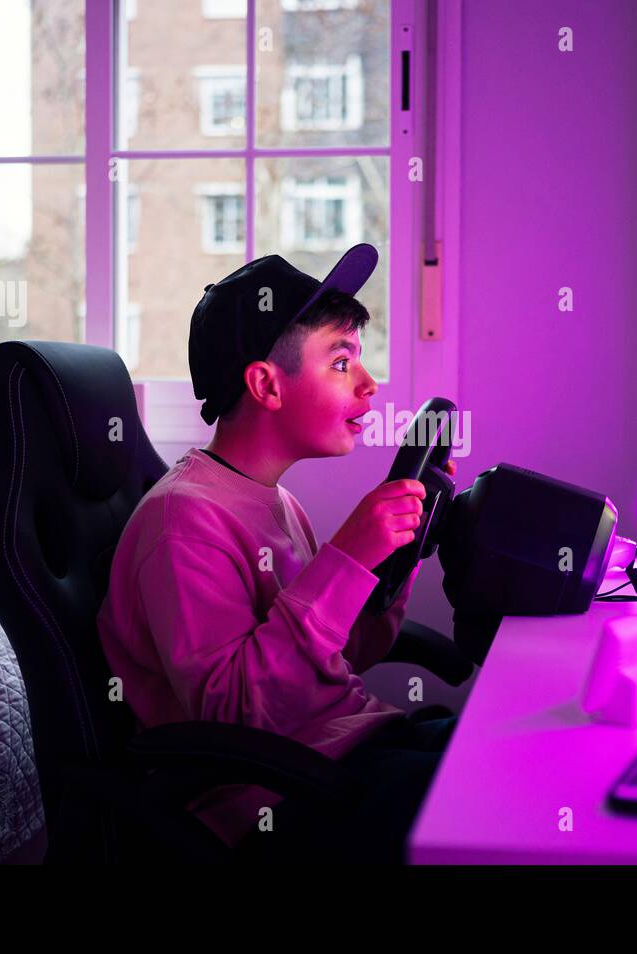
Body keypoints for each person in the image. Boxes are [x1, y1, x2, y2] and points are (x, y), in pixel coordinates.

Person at [96, 243, 457, 863]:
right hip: (276, 797)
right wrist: (345, 558)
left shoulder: (276, 502)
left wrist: (401, 552)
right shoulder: (182, 519)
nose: (369, 386)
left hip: (350, 744)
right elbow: (236, 715)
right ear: (265, 383)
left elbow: (339, 655)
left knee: (514, 747)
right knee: (490, 803)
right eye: (341, 363)